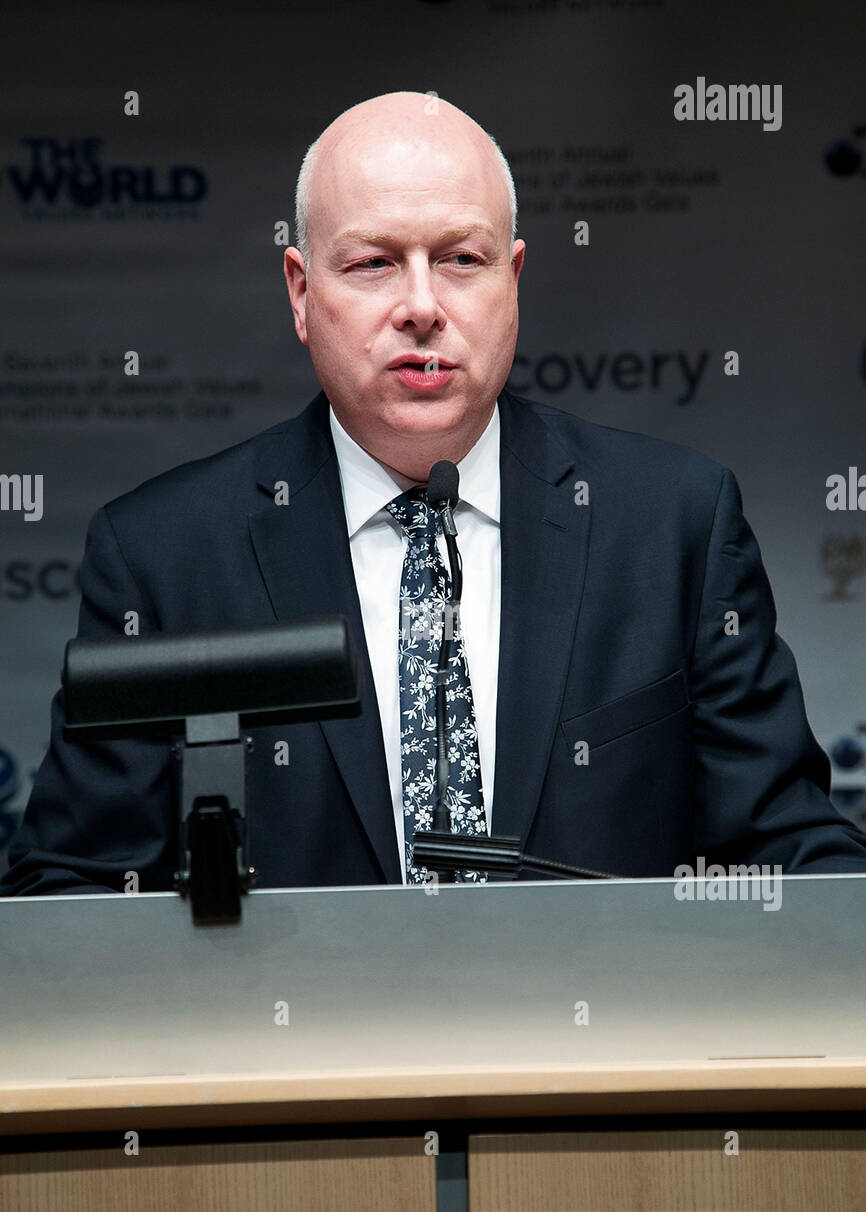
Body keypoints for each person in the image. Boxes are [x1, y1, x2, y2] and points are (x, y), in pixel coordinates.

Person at [3, 91, 865, 896]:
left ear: (513, 280)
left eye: (461, 259)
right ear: (302, 294)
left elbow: (796, 857)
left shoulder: (674, 524)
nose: (422, 306)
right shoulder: (161, 555)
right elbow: (72, 897)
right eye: (374, 263)